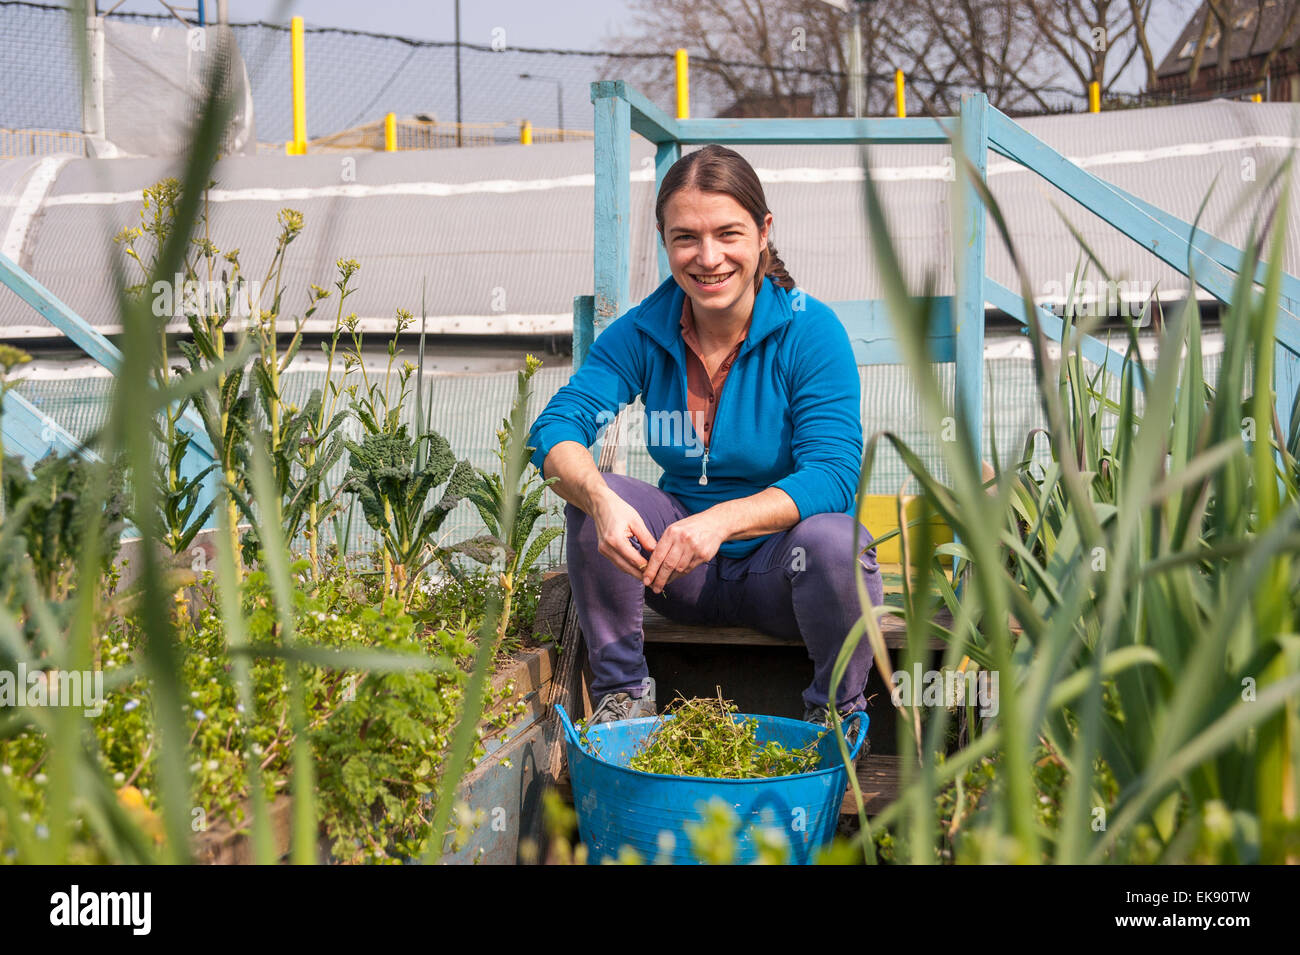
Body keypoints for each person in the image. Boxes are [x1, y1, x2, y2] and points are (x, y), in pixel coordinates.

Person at [526, 144, 884, 729]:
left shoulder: (810, 330)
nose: (708, 257)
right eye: (686, 237)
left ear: (763, 232)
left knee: (836, 543)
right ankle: (624, 700)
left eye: (728, 233)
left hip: (782, 573)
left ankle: (835, 715)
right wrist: (598, 498)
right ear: (664, 241)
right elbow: (557, 427)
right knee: (597, 498)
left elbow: (833, 474)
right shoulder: (643, 329)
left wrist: (719, 522)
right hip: (675, 572)